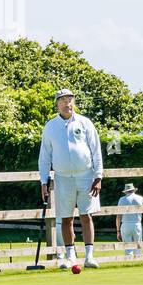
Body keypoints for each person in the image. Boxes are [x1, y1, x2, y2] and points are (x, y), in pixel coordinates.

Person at [38, 89, 103, 269]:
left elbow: (96, 150)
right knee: (66, 218)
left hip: (86, 176)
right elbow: (44, 157)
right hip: (63, 178)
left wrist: (98, 176)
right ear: (57, 104)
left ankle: (89, 256)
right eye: (63, 100)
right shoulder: (50, 126)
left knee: (86, 215)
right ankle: (70, 257)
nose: (67, 103)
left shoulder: (85, 123)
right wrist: (44, 181)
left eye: (70, 100)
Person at [115, 182, 143, 259]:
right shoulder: (140, 198)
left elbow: (118, 216)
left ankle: (129, 262)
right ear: (133, 190)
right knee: (138, 247)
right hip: (137, 224)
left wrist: (118, 230)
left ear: (126, 191)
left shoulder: (122, 200)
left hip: (125, 224)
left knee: (128, 249)